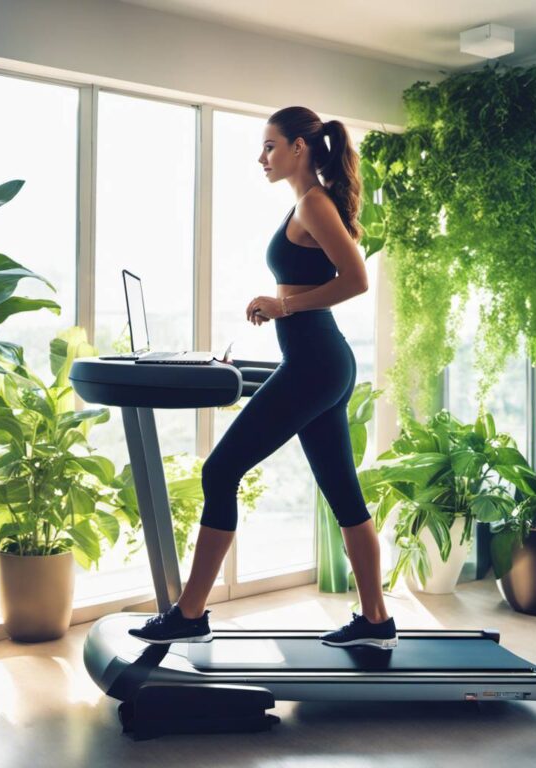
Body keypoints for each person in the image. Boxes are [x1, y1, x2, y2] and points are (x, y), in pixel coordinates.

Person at [129, 106, 397, 650]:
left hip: (316, 363)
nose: (262, 157)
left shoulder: (314, 203)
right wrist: (279, 305)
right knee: (344, 495)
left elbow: (357, 279)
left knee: (219, 470)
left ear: (300, 147)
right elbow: (314, 282)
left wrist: (282, 308)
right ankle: (375, 620)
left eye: (270, 146)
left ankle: (190, 612)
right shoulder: (306, 205)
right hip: (320, 362)